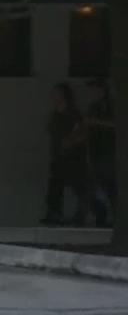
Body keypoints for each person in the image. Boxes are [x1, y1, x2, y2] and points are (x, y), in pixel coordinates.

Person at [43, 82, 91, 226]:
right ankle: (54, 213)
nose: (54, 97)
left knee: (78, 186)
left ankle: (89, 212)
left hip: (72, 157)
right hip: (58, 156)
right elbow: (52, 131)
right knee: (55, 186)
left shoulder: (73, 114)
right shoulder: (55, 114)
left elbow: (82, 132)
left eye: (57, 93)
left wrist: (71, 141)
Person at [86, 78, 116, 227]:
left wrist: (97, 122)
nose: (92, 93)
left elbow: (117, 124)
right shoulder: (93, 107)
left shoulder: (110, 106)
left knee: (109, 185)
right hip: (96, 152)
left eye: (95, 90)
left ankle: (113, 217)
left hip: (108, 152)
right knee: (96, 186)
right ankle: (101, 216)